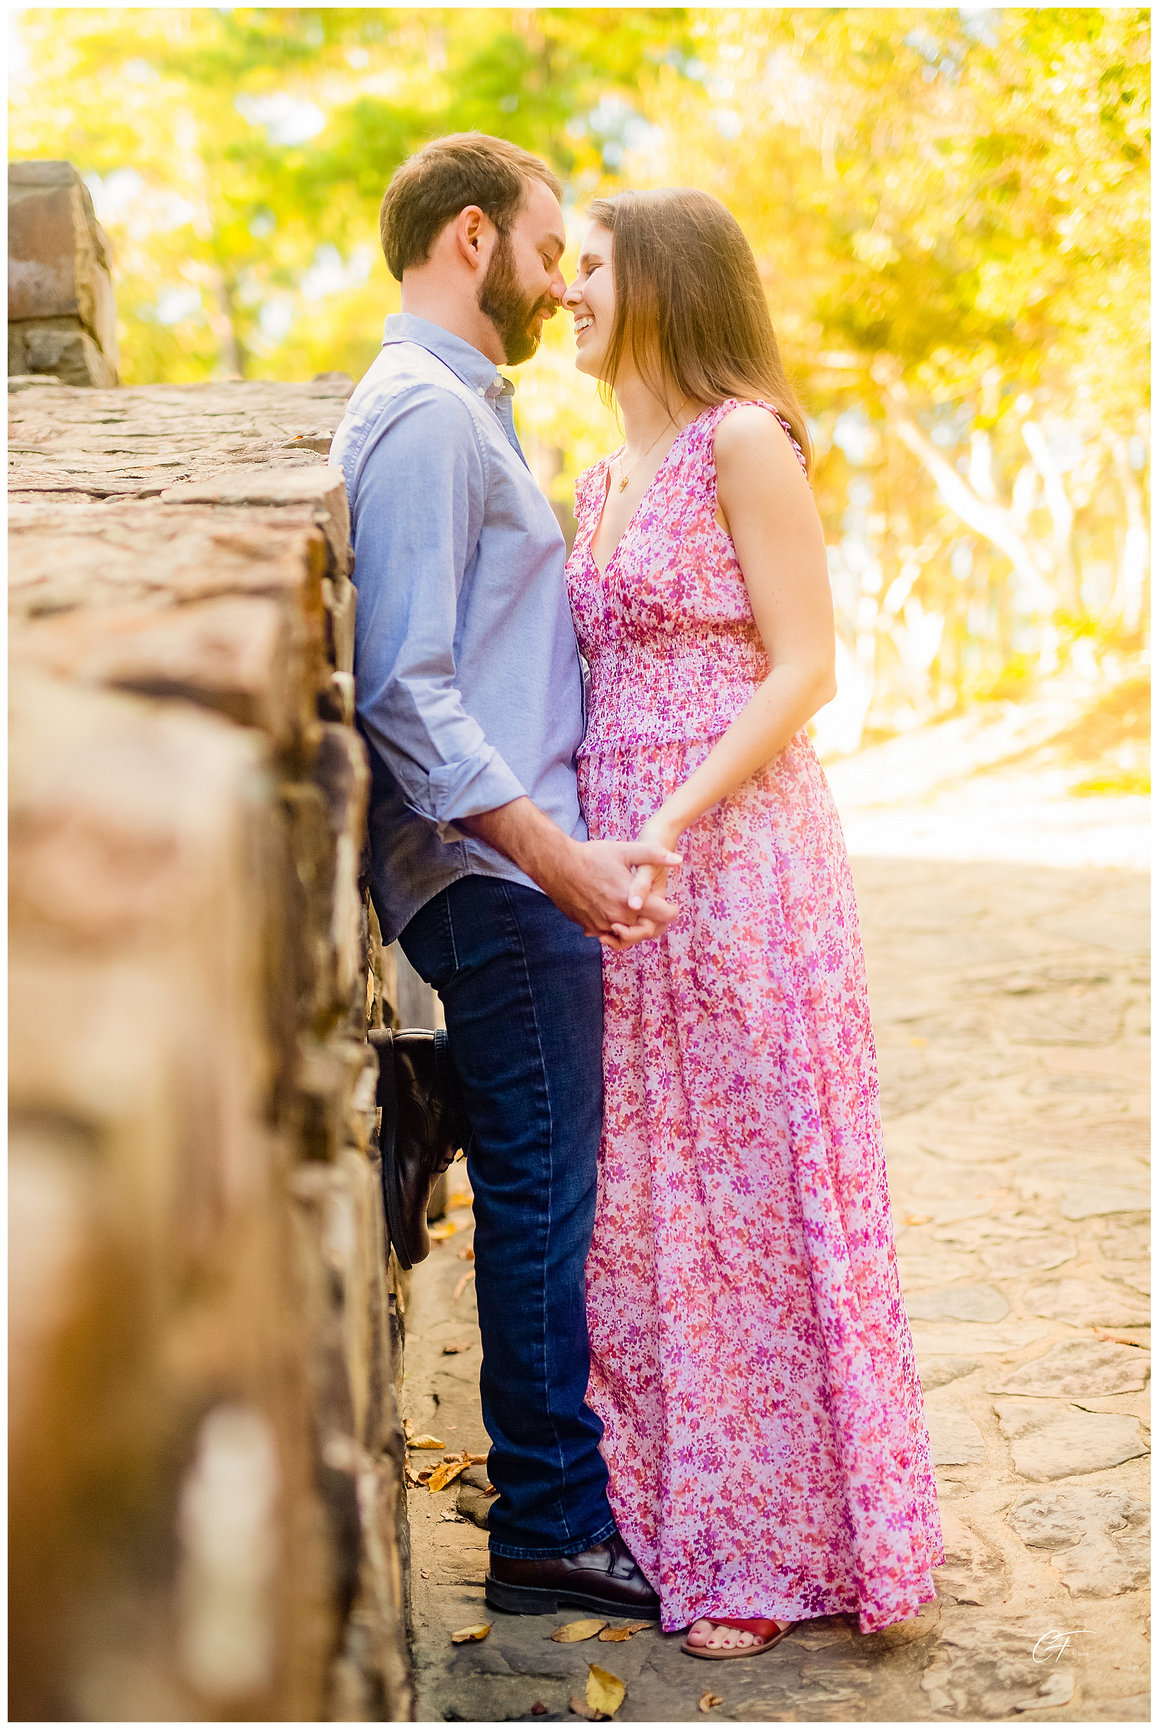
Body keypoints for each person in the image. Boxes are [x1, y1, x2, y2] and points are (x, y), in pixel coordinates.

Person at [561, 188, 943, 1657]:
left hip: (739, 856)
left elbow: (806, 667)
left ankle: (783, 1546)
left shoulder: (744, 441)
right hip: (626, 871)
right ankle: (687, 1515)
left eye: (596, 268)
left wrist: (673, 814)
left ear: (666, 282)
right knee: (653, 1194)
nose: (571, 292)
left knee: (756, 1182)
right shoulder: (600, 477)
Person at [330, 134, 683, 1619]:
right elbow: (404, 692)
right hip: (499, 879)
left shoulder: (458, 409)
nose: (558, 284)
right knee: (544, 1199)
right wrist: (558, 862)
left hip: (505, 875)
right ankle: (550, 1518)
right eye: (547, 250)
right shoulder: (426, 419)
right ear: (471, 239)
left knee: (538, 1167)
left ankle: (434, 1093)